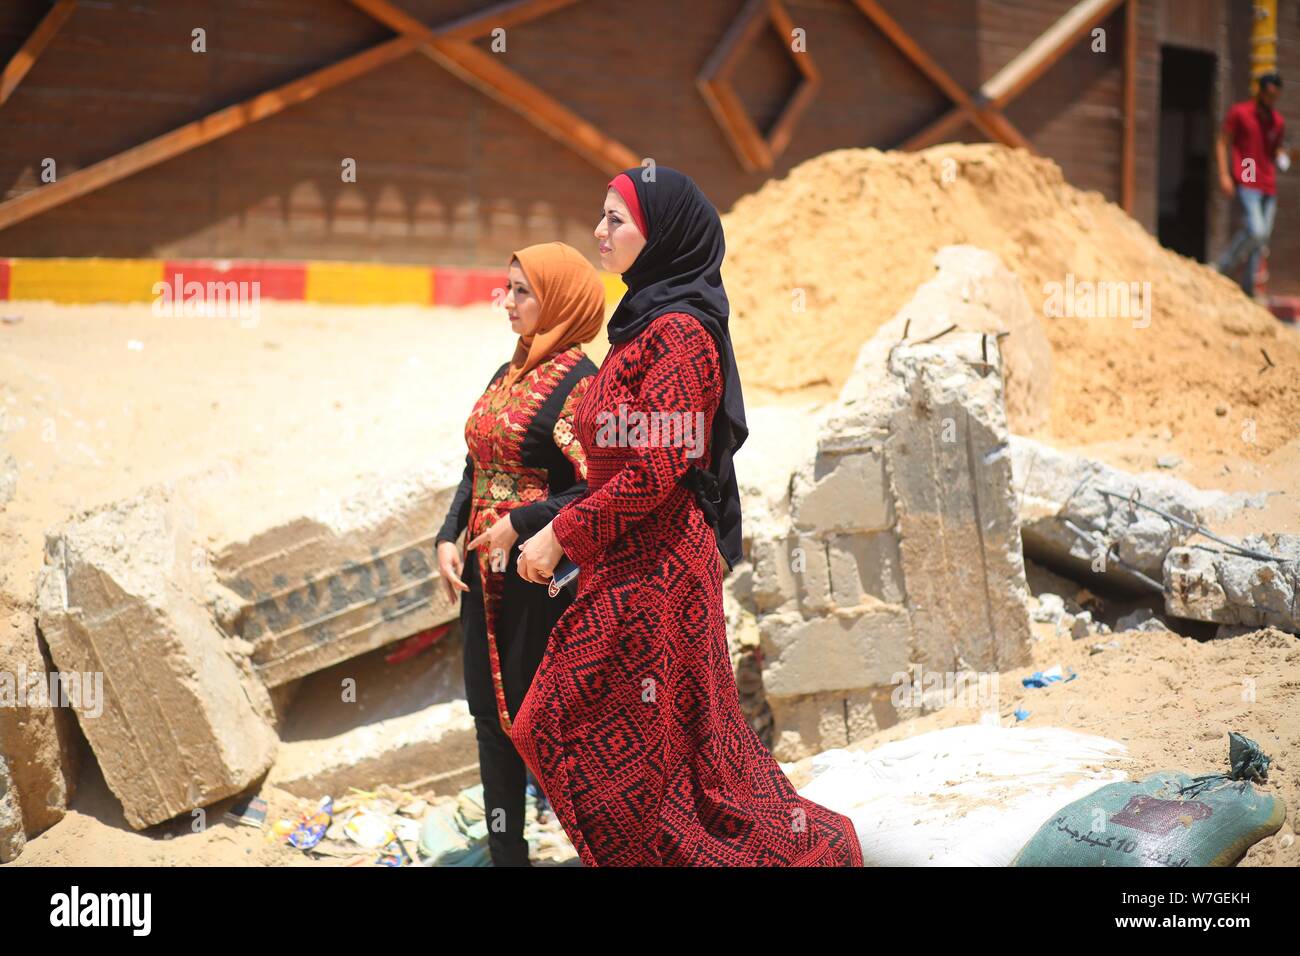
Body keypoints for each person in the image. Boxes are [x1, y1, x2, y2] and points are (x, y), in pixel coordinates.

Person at [507, 167, 863, 867]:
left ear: (661, 233)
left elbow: (654, 474)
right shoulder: (639, 327)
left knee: (593, 738)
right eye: (601, 216)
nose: (599, 232)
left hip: (660, 572)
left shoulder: (682, 337)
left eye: (617, 220)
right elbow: (617, 464)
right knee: (658, 756)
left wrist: (560, 534)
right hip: (625, 563)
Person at [434, 241, 602, 866]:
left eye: (523, 291)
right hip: (482, 573)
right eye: (506, 288)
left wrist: (521, 521)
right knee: (488, 715)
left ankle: (606, 850)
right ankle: (508, 856)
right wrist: (448, 536)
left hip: (541, 577)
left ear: (559, 299)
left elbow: (595, 488)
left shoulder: (584, 388)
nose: (507, 302)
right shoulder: (505, 374)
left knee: (548, 723)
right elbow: (475, 467)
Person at [1216, 72, 1289, 297]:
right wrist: (1224, 175)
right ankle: (1223, 266)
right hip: (1248, 178)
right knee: (1256, 230)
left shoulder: (1277, 121)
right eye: (1268, 94)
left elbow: (1274, 149)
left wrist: (1284, 156)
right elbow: (1222, 142)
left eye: (1275, 96)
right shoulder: (1240, 113)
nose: (1271, 99)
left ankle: (1248, 288)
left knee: (1262, 237)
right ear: (1260, 91)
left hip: (1268, 183)